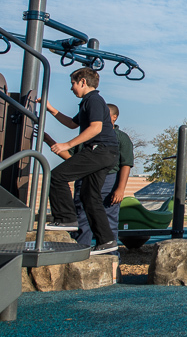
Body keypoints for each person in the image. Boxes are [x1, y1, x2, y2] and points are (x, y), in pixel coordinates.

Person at [41, 67, 120, 255]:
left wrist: (66, 145)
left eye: (73, 84)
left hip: (99, 150)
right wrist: (51, 109)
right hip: (106, 153)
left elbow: (95, 128)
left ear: (83, 82)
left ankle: (66, 218)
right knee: (89, 196)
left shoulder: (93, 100)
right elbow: (72, 124)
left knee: (57, 176)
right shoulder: (89, 101)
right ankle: (107, 240)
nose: (72, 88)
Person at [63, 104, 133, 251]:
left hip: (109, 181)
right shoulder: (88, 135)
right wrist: (51, 142)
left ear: (114, 117)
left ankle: (111, 258)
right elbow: (70, 156)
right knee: (82, 218)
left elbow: (126, 164)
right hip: (85, 178)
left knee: (109, 220)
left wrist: (120, 189)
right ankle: (80, 253)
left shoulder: (121, 138)